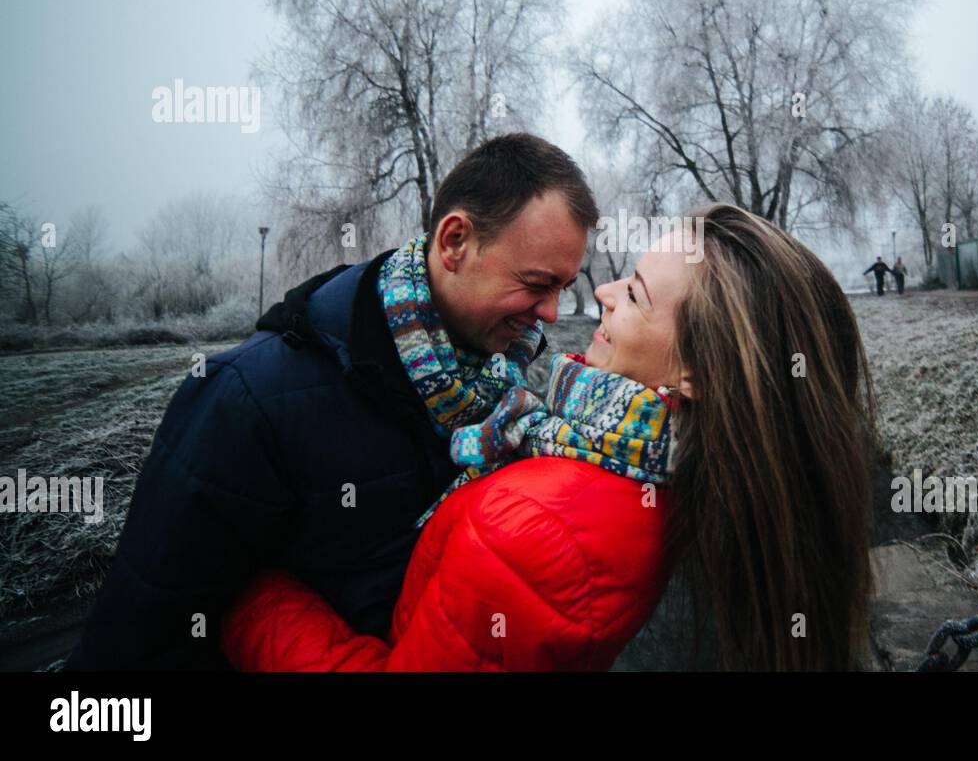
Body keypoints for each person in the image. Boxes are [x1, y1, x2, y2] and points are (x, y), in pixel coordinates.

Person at [220, 204, 879, 671]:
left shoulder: (539, 526)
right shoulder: (673, 476)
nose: (606, 292)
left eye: (638, 295)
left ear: (696, 373)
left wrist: (255, 606)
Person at [63, 134, 598, 670]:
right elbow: (143, 634)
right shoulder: (247, 397)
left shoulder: (507, 388)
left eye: (564, 287)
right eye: (537, 284)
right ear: (454, 241)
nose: (552, 314)